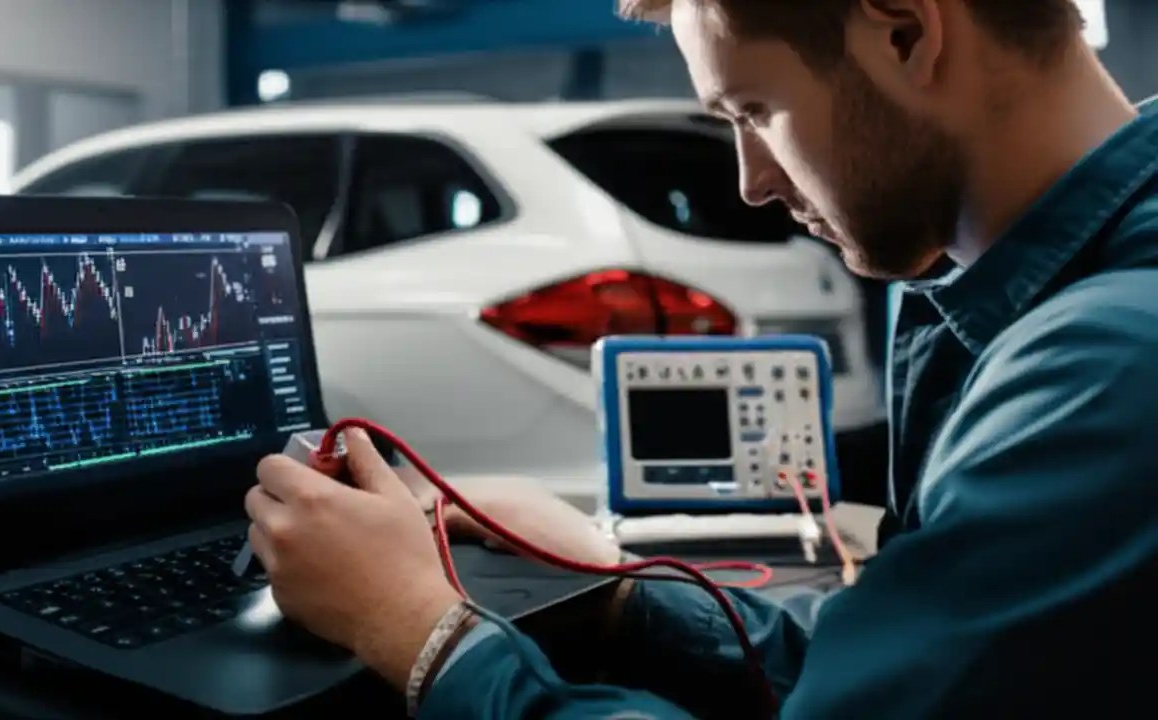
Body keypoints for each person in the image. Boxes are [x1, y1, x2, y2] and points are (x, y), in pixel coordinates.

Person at [243, 0, 1158, 716]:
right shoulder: (1067, 302)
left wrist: (414, 630)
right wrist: (616, 594)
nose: (750, 182)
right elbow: (900, 671)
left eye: (755, 110)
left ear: (908, 31)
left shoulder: (1105, 369)